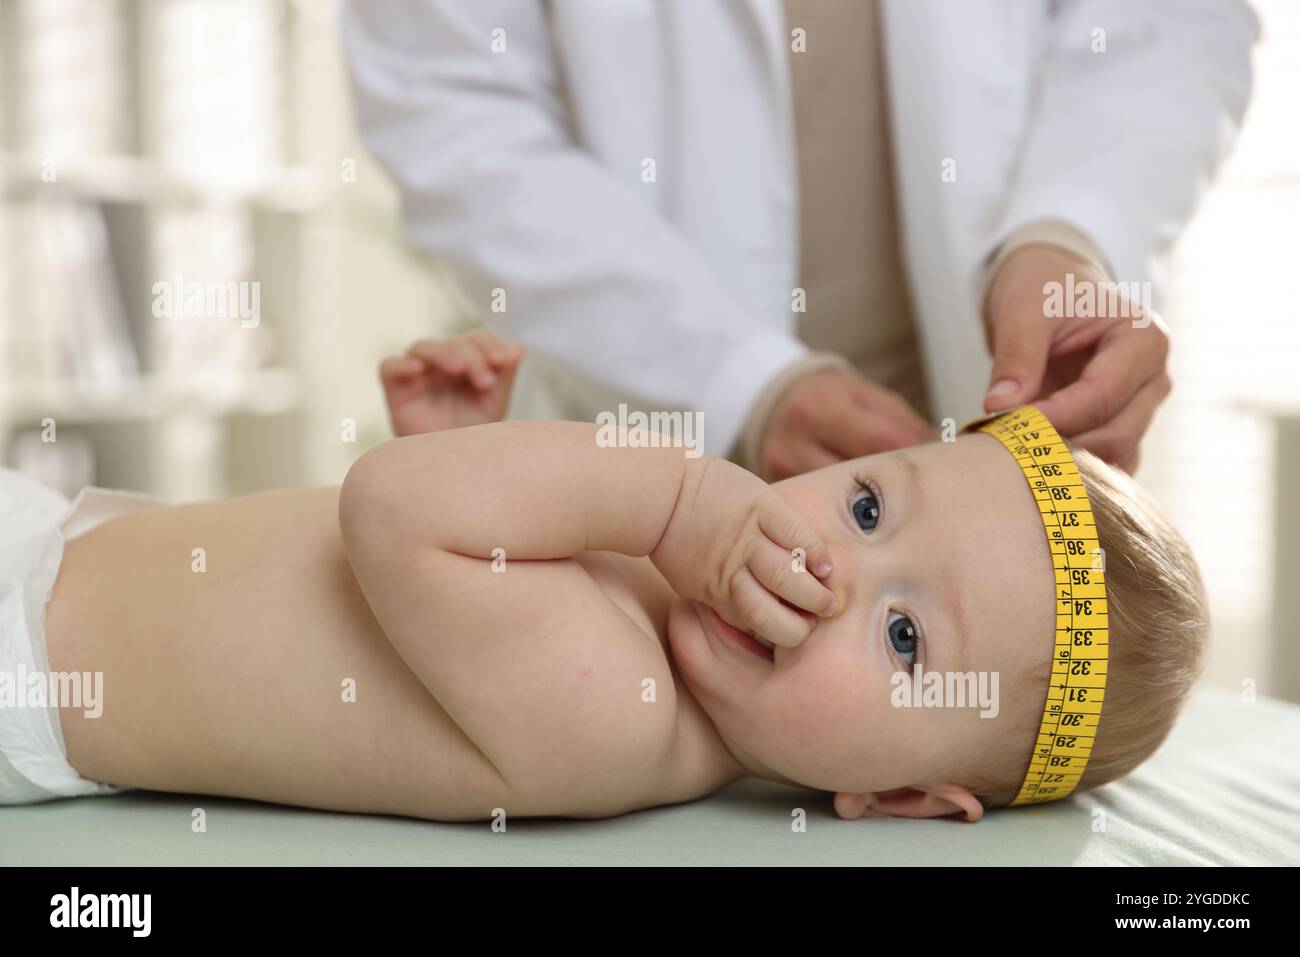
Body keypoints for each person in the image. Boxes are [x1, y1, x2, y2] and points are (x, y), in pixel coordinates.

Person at [1, 331, 1207, 822]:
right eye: (867, 502)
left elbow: (391, 516)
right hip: (66, 544)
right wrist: (453, 450)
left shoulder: (616, 722)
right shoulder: (656, 611)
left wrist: (680, 496)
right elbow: (423, 608)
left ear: (899, 800)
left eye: (904, 642)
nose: (834, 569)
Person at [342, 0, 1258, 477]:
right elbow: (452, 109)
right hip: (637, 441)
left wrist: (1069, 238)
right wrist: (734, 383)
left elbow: (1169, 23)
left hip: (992, 427)